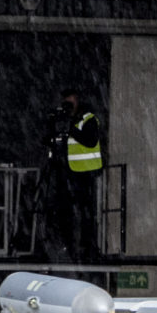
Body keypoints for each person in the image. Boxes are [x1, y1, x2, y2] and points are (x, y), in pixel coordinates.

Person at [38, 87, 102, 260]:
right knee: (64, 210)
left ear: (77, 99)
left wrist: (71, 128)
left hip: (86, 173)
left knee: (85, 213)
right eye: (65, 98)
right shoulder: (68, 119)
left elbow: (90, 141)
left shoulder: (88, 118)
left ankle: (86, 248)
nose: (67, 102)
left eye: (70, 98)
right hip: (68, 172)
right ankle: (68, 246)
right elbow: (57, 140)